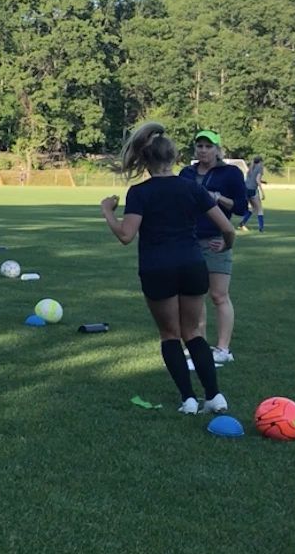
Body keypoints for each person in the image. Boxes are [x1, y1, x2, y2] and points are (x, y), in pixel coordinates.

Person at [102, 122, 237, 414]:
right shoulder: (192, 188)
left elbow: (126, 235)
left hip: (157, 268)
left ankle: (188, 399)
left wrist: (107, 212)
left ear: (145, 160)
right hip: (192, 265)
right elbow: (228, 228)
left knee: (170, 335)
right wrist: (225, 246)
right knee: (194, 334)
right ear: (174, 158)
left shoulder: (139, 193)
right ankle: (215, 396)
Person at [178, 130, 247, 364]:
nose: (204, 150)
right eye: (200, 146)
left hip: (216, 241)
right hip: (188, 241)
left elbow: (241, 207)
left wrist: (217, 197)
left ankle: (223, 349)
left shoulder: (231, 173)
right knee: (194, 296)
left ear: (218, 149)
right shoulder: (186, 173)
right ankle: (198, 345)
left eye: (209, 146)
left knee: (218, 295)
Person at [239, 156, 265, 232]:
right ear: (260, 162)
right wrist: (263, 193)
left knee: (253, 208)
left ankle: (242, 223)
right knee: (260, 209)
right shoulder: (260, 168)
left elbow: (251, 178)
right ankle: (261, 228)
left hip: (245, 189)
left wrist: (262, 181)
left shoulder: (250, 168)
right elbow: (257, 180)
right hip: (253, 190)